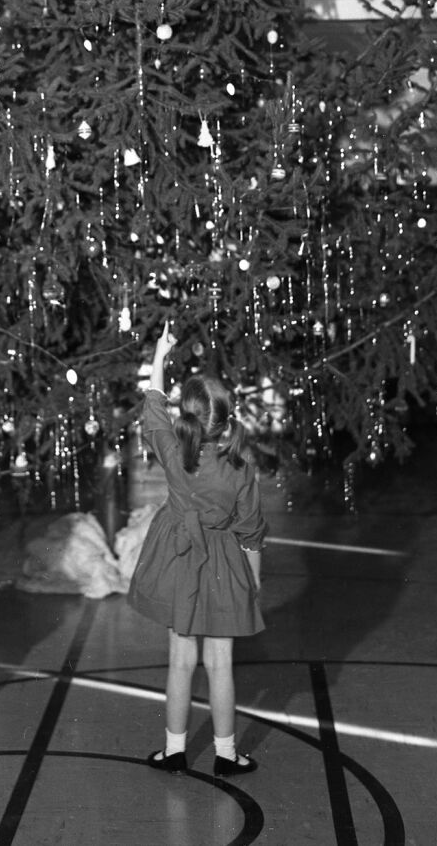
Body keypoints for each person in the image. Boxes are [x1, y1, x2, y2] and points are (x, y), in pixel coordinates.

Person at [127, 321, 267, 777]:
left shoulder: (171, 449)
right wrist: (254, 580)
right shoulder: (241, 466)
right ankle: (226, 754)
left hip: (180, 559)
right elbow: (250, 530)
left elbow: (152, 402)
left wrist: (162, 355)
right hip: (226, 564)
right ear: (225, 420)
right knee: (220, 662)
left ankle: (175, 750)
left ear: (184, 417)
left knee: (180, 660)